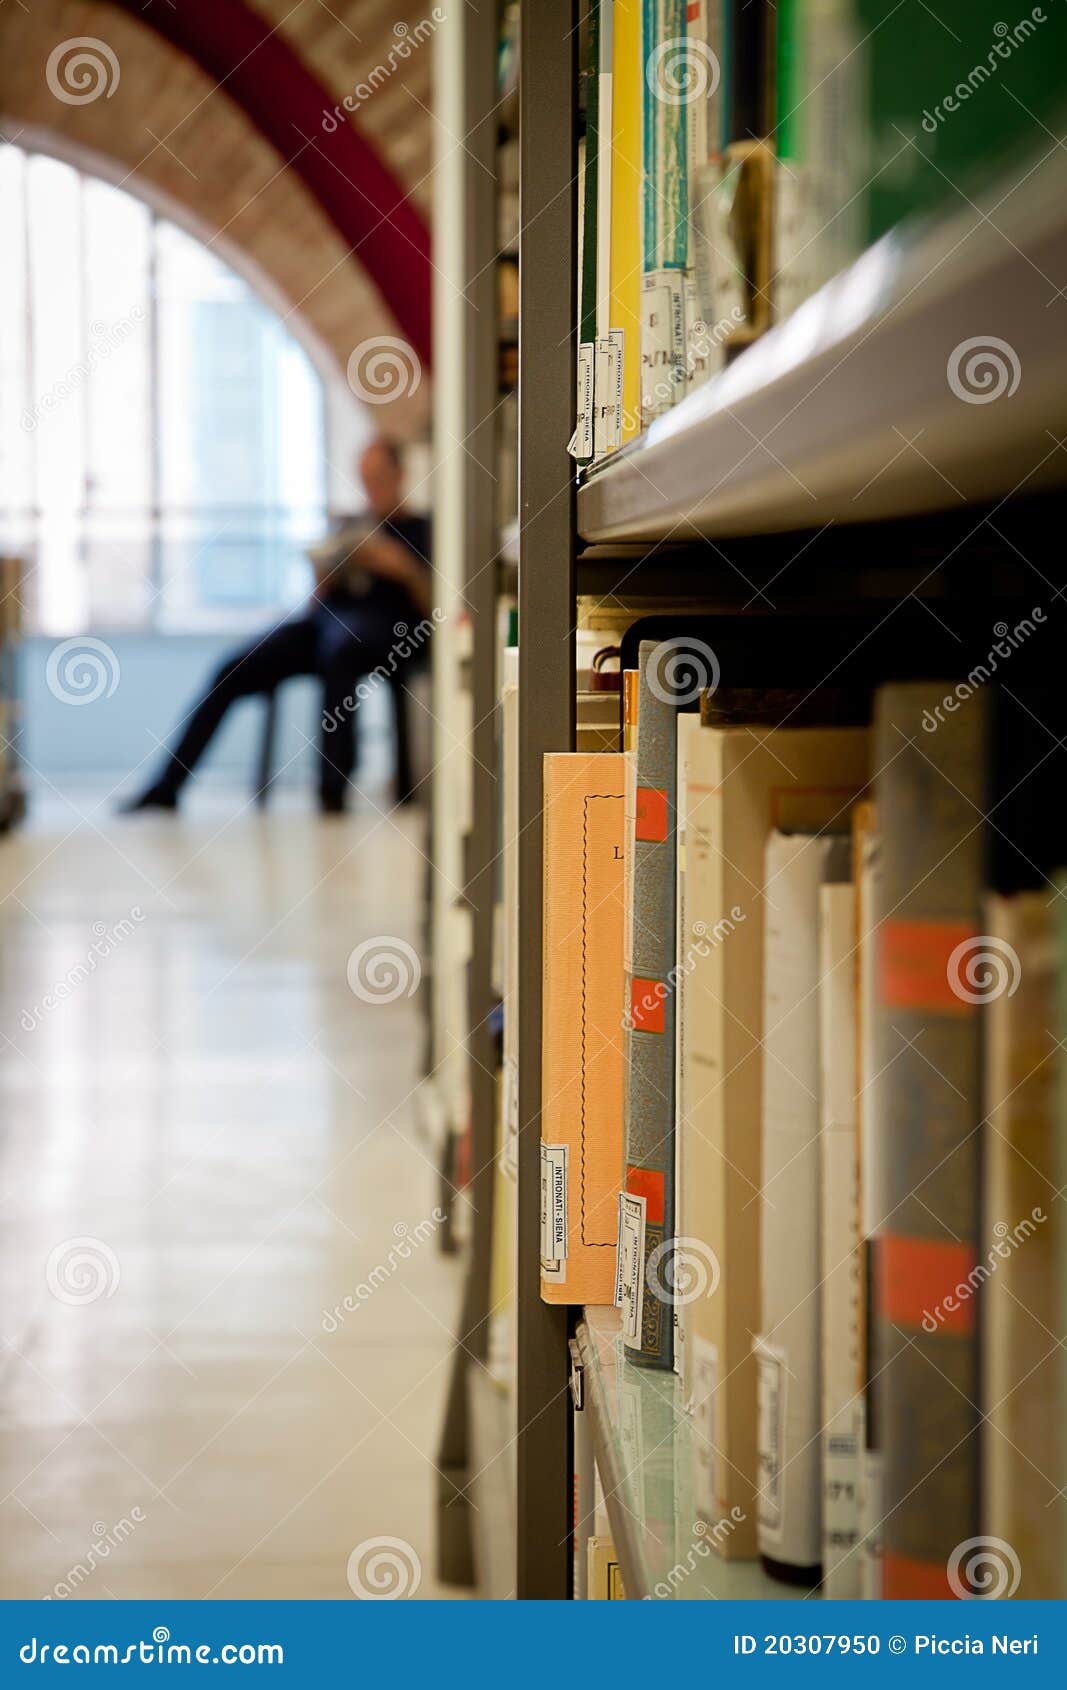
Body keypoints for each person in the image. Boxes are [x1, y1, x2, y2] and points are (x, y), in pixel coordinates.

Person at [120, 440, 432, 815]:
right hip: (324, 625)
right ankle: (167, 787)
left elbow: (433, 605)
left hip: (387, 633)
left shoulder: (421, 530)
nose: (372, 488)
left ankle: (332, 790)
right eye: (365, 480)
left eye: (379, 478)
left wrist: (400, 566)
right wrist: (326, 573)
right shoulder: (351, 527)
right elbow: (317, 602)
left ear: (400, 475)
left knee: (341, 654)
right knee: (233, 667)